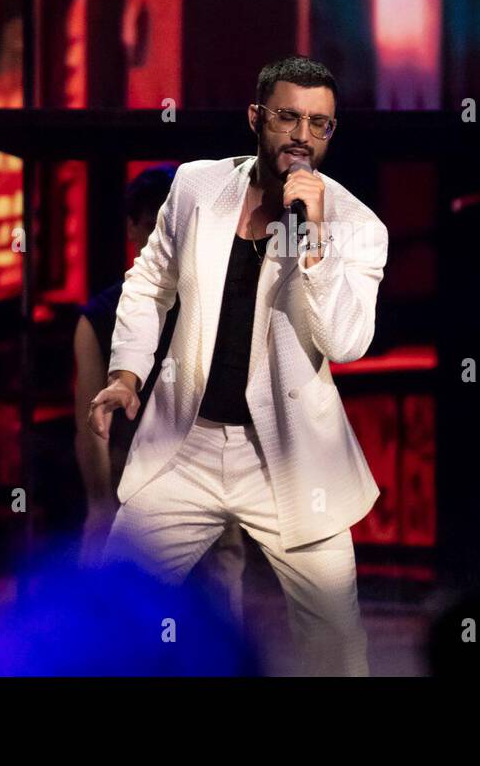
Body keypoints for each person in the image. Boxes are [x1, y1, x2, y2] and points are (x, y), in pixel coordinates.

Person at [87, 55, 388, 675]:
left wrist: (317, 246)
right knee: (108, 612)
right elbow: (148, 285)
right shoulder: (198, 187)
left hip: (290, 455)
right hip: (186, 445)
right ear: (256, 117)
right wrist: (126, 373)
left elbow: (348, 341)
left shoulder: (357, 228)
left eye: (320, 124)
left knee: (334, 640)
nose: (303, 135)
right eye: (288, 117)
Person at [74, 166, 247, 621]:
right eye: (154, 224)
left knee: (128, 618)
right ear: (132, 228)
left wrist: (98, 502)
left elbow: (90, 419)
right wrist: (98, 501)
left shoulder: (101, 314)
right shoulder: (214, 304)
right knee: (209, 613)